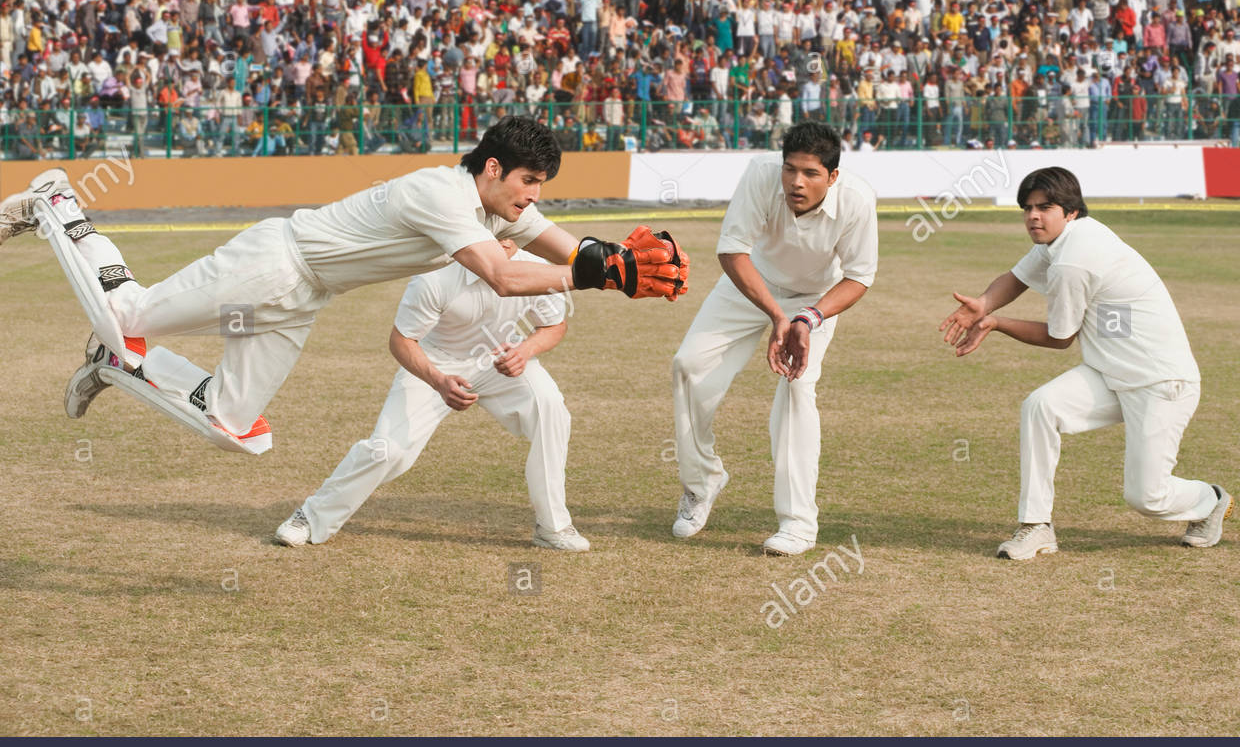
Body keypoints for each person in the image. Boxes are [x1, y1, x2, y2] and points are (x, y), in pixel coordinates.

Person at [1, 117, 687, 454]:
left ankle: (114, 366)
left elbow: (572, 250)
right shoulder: (441, 194)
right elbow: (506, 276)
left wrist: (616, 265)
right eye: (529, 183)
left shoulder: (498, 202)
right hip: (272, 263)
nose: (533, 198)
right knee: (130, 315)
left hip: (302, 298)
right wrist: (598, 274)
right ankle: (59, 206)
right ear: (494, 168)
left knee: (237, 428)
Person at [939, 167, 1234, 560]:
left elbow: (1060, 339)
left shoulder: (1074, 260)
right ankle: (1036, 525)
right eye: (1027, 208)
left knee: (1147, 497)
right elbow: (1017, 276)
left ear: (1071, 211)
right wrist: (984, 303)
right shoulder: (1063, 240)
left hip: (1160, 382)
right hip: (1110, 373)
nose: (1033, 216)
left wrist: (994, 322)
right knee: (1041, 406)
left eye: (1045, 207)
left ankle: (1210, 499)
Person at [277, 239, 587, 551]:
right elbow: (402, 341)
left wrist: (525, 350)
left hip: (501, 356)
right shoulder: (435, 274)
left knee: (551, 412)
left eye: (512, 233)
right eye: (495, 232)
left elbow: (553, 326)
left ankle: (553, 527)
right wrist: (437, 380)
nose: (505, 241)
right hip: (436, 361)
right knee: (387, 450)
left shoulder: (536, 270)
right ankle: (311, 516)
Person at [670, 121, 878, 556]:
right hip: (750, 285)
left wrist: (804, 319)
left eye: (810, 173)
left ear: (833, 176)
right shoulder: (761, 174)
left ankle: (798, 523)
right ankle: (702, 481)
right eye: (790, 170)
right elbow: (732, 251)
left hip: (813, 301)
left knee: (797, 387)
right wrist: (774, 314)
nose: (796, 182)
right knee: (688, 366)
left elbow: (858, 277)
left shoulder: (857, 201)